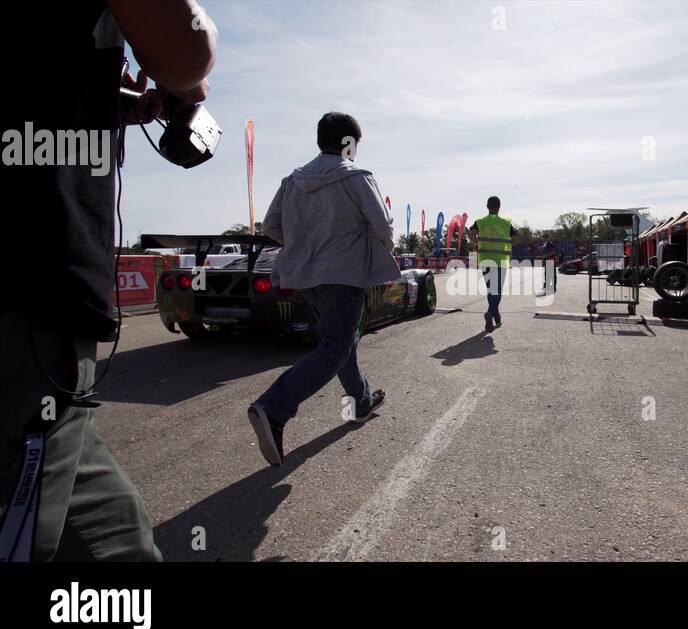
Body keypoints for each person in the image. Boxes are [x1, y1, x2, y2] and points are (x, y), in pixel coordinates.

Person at [0, 0, 217, 561]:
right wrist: (191, 84)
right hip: (28, 296)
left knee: (118, 541)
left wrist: (121, 105)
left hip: (47, 349)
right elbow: (188, 50)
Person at [248, 112, 396, 467]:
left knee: (341, 342)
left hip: (306, 278)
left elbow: (271, 225)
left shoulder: (293, 181)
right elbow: (382, 225)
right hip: (343, 275)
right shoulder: (357, 177)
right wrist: (379, 252)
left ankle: (360, 401)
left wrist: (305, 243)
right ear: (349, 143)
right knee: (334, 348)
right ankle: (274, 407)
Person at [469, 196, 516, 332]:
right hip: (501, 261)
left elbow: (472, 235)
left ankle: (497, 318)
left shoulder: (480, 222)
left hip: (485, 260)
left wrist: (477, 242)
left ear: (487, 206)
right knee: (497, 291)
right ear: (499, 207)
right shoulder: (506, 223)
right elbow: (515, 239)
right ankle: (490, 313)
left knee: (491, 290)